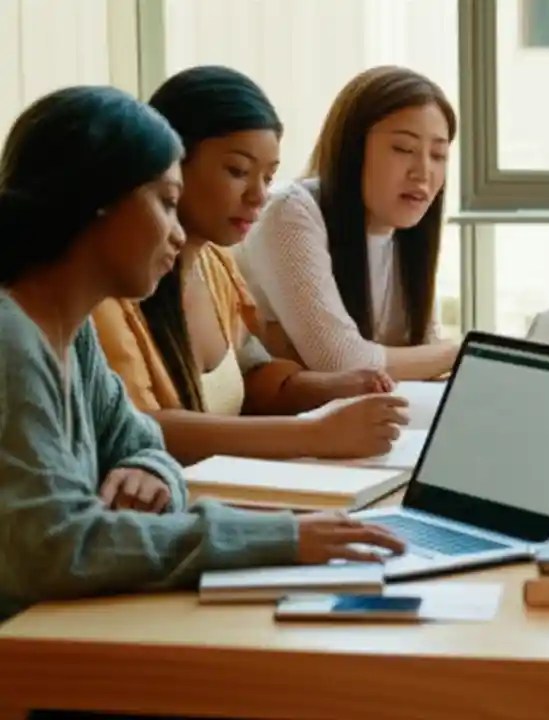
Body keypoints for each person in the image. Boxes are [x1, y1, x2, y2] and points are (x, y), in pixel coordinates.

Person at [0, 86, 405, 623]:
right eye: (167, 203)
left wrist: (148, 472)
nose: (176, 231)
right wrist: (280, 536)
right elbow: (57, 547)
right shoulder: (12, 341)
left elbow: (146, 445)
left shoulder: (73, 334)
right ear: (97, 200)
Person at [90, 66, 408, 465]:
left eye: (269, 176)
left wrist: (331, 387)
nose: (258, 196)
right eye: (238, 171)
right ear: (170, 164)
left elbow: (250, 376)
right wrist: (314, 435)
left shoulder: (216, 265)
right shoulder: (108, 289)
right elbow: (139, 428)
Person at [237, 66, 459, 380]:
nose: (423, 172)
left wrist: (440, 357)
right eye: (403, 149)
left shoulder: (405, 231)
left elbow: (423, 348)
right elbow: (341, 360)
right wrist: (459, 352)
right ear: (352, 148)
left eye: (438, 155)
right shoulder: (290, 212)